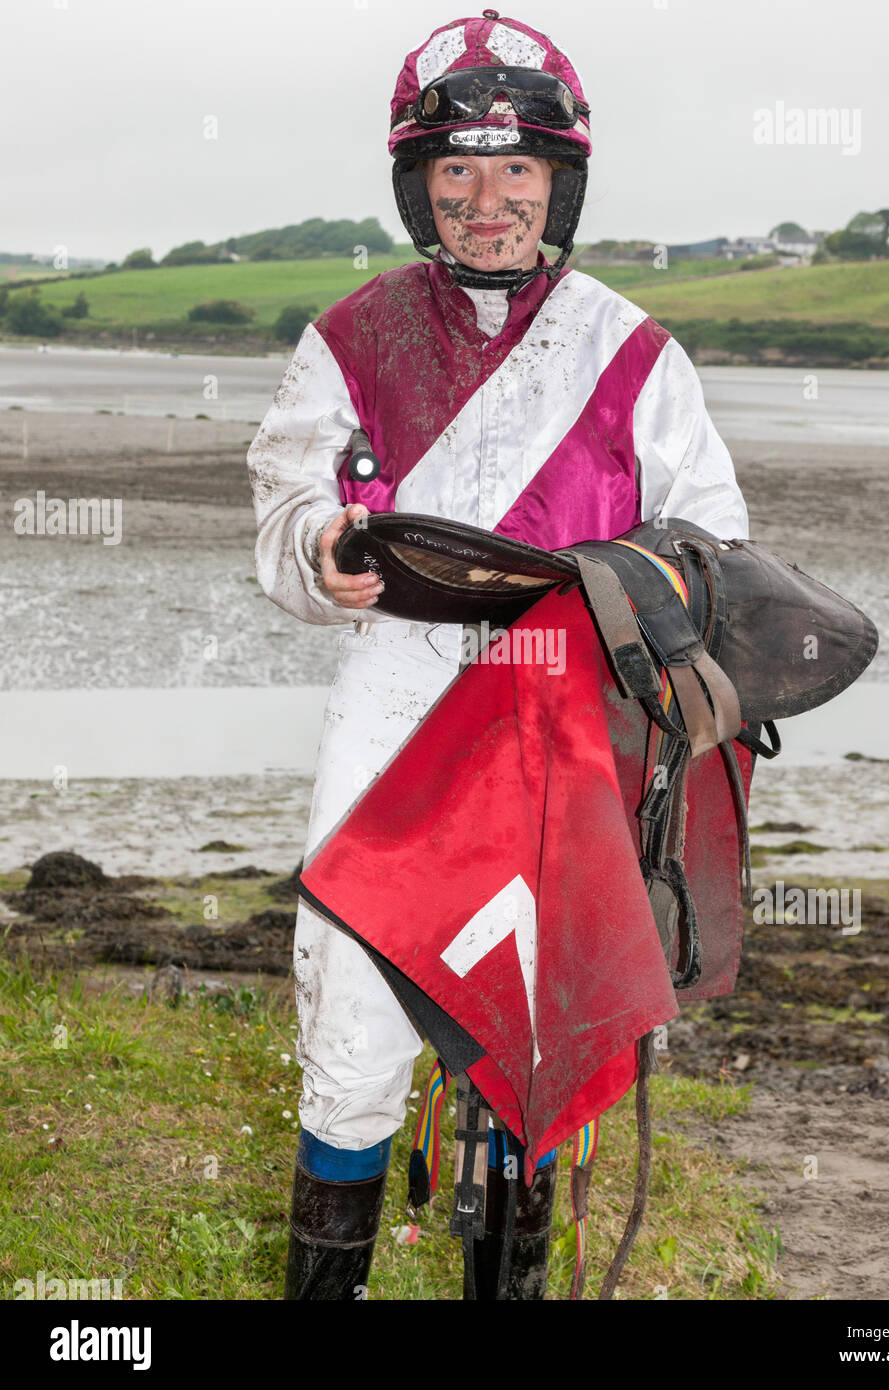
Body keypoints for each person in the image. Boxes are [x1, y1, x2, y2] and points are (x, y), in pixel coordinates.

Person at [247, 9, 748, 1301]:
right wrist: (322, 555)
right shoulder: (351, 336)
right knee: (353, 1008)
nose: (488, 199)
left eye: (516, 167)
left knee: (535, 1031)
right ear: (420, 184)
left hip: (568, 714)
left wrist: (653, 580)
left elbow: (716, 538)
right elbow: (286, 504)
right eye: (458, 171)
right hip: (399, 692)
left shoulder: (633, 350)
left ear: (557, 178)